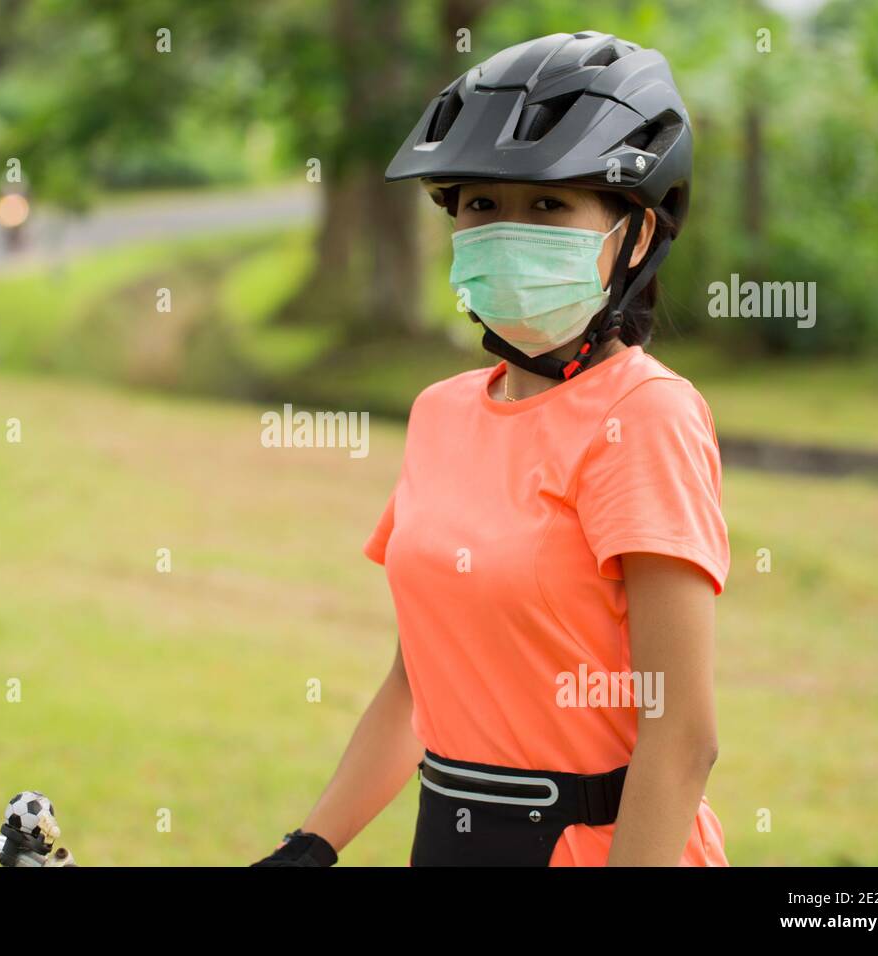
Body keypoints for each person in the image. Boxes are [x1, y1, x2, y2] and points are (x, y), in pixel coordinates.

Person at [253, 30, 729, 867]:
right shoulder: (440, 414)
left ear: (637, 232)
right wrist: (312, 845)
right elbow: (415, 690)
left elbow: (681, 736)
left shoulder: (647, 415)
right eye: (481, 204)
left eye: (549, 206)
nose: (508, 230)